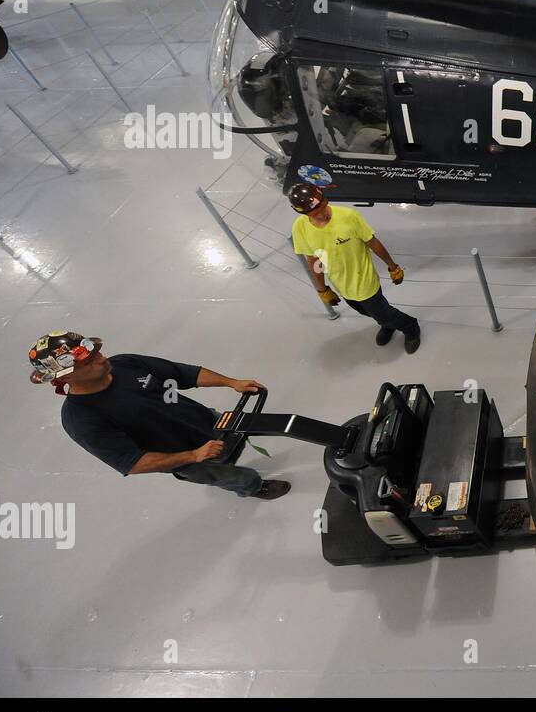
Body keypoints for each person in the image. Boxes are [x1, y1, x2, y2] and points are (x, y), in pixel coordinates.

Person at [30, 331, 288, 499]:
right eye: (88, 362)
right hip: (186, 457)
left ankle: (234, 450)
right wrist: (193, 456)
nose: (102, 359)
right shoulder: (81, 418)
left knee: (239, 437)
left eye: (96, 353)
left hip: (207, 420)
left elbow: (182, 373)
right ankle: (253, 486)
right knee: (228, 474)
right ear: (64, 376)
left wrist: (231, 382)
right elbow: (131, 462)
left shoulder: (124, 364)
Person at [289, 183, 421, 352]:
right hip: (342, 285)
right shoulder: (300, 228)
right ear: (303, 213)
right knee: (365, 311)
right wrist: (322, 290)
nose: (322, 215)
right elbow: (314, 259)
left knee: (382, 312)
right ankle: (388, 325)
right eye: (316, 214)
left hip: (365, 282)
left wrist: (392, 267)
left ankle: (411, 327)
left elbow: (372, 242)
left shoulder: (348, 216)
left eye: (323, 207)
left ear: (325, 199)